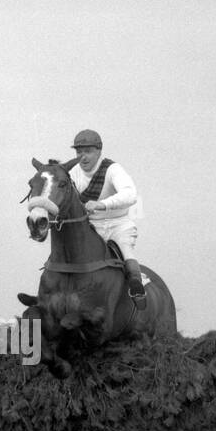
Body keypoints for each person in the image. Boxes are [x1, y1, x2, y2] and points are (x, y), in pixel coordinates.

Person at [67, 128, 145, 309]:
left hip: (118, 225)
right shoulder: (73, 172)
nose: (83, 157)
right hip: (91, 226)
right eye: (79, 152)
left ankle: (136, 288)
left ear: (99, 151)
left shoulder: (112, 169)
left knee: (125, 250)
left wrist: (102, 204)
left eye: (88, 151)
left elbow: (130, 195)